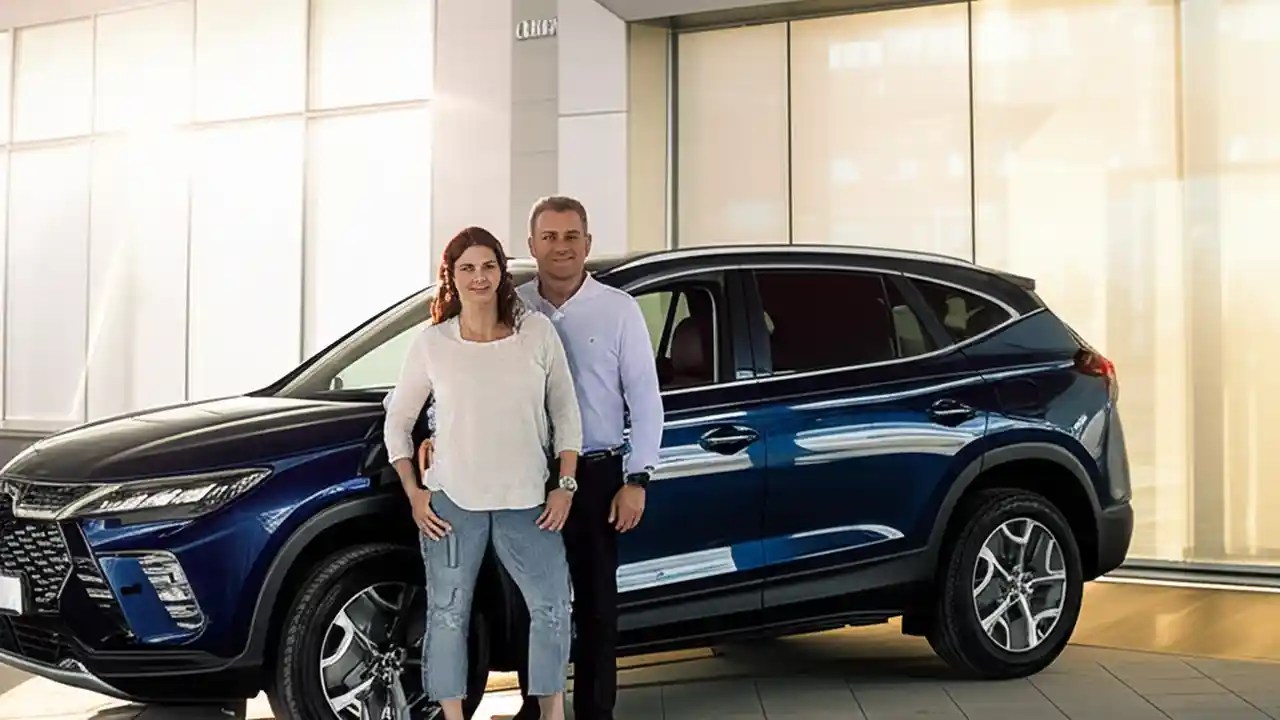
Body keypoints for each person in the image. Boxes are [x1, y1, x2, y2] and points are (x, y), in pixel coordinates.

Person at [383, 226, 583, 720]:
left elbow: (566, 413)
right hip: (452, 504)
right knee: (448, 614)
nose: (479, 277)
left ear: (501, 272)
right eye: (467, 268)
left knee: (553, 608)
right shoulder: (433, 344)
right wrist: (414, 493)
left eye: (488, 266)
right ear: (451, 276)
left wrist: (565, 485)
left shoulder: (536, 332)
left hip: (529, 500)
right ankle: (453, 716)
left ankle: (552, 712)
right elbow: (398, 421)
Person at [511, 196, 665, 720]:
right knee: (533, 606)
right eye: (549, 237)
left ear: (588, 243)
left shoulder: (618, 309)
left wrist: (637, 478)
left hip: (599, 476)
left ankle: (596, 712)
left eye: (571, 236)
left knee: (597, 607)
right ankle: (537, 709)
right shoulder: (513, 309)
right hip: (528, 478)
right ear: (531, 245)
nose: (561, 247)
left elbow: (645, 400)